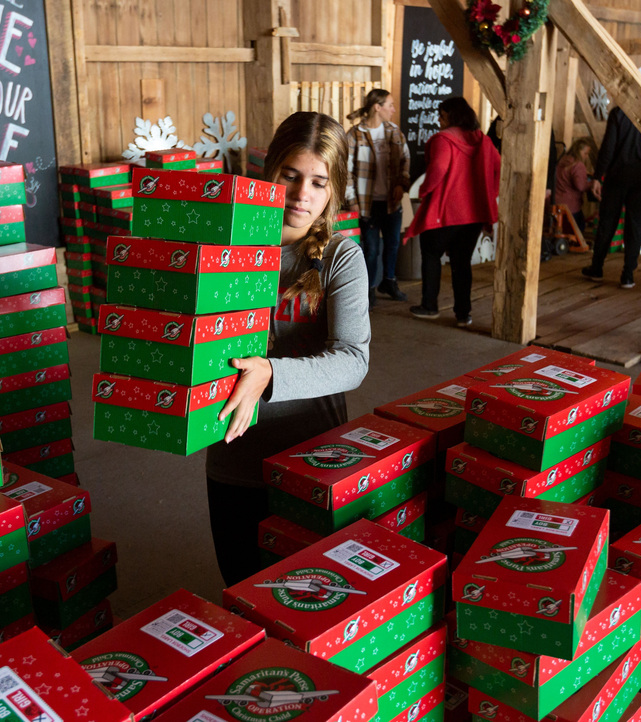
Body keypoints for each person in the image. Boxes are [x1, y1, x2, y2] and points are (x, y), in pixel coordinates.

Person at [205, 112, 370, 586]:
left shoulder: (340, 256)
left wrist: (270, 374)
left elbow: (353, 361)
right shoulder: (227, 248)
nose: (302, 195)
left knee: (306, 595)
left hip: (310, 459)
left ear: (333, 189)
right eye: (291, 177)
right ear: (269, 172)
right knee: (240, 587)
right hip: (232, 455)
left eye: (318, 182)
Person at [404, 98, 501, 326]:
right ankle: (463, 314)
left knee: (430, 253)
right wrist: (487, 194)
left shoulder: (443, 140)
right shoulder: (484, 141)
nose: (438, 119)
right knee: (461, 262)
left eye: (441, 114)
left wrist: (425, 190)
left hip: (445, 212)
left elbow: (438, 169)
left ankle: (429, 306)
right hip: (474, 213)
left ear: (450, 116)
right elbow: (498, 168)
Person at [582, 65, 641, 289]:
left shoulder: (619, 113)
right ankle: (628, 275)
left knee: (607, 222)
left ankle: (597, 268)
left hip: (618, 177)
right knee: (635, 225)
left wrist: (598, 176)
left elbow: (608, 148)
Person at [344, 89, 412, 307]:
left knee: (393, 244)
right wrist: (352, 201)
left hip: (392, 202)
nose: (393, 109)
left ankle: (389, 281)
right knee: (371, 249)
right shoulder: (354, 134)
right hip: (367, 204)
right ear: (377, 107)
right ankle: (369, 288)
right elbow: (345, 171)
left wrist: (402, 184)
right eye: (390, 105)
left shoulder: (394, 132)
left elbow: (405, 161)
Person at [554, 137, 598, 234]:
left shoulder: (562, 160)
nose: (586, 157)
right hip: (570, 206)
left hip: (556, 201)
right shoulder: (577, 165)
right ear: (579, 151)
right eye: (585, 153)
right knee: (580, 227)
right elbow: (580, 186)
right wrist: (593, 184)